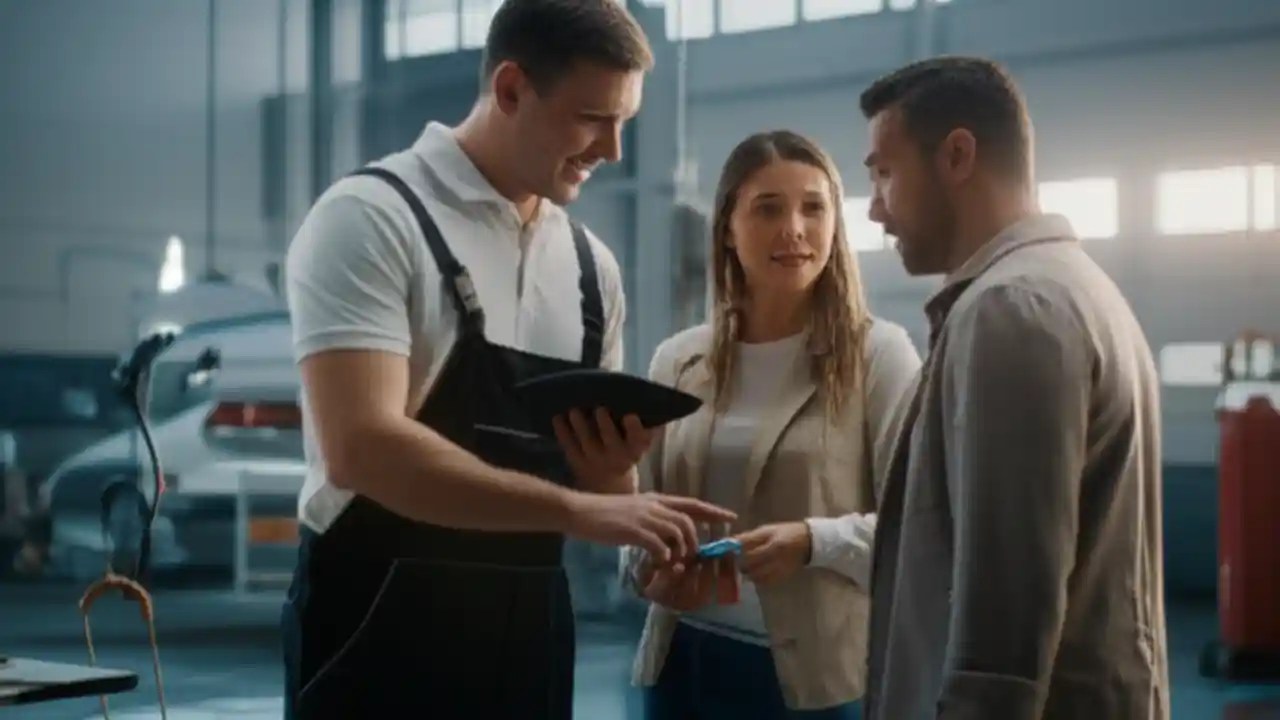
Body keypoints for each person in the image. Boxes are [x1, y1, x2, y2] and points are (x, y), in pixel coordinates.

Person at [279, 2, 735, 718]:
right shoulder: (372, 218)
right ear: (512, 89)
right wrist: (580, 511)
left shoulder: (592, 269)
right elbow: (361, 448)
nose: (614, 149)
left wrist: (633, 510)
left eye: (625, 121)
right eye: (593, 117)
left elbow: (602, 489)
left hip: (528, 637)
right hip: (371, 634)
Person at [857, 56, 1169, 719]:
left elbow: (1003, 627)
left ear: (958, 156)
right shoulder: (1077, 289)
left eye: (885, 173)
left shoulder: (1011, 310)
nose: (876, 208)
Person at [622, 130, 922, 719]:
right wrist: (647, 574)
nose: (794, 229)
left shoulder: (880, 355)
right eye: (768, 208)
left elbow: (916, 526)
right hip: (681, 664)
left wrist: (814, 541)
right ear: (728, 229)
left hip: (815, 684)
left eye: (814, 207)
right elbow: (642, 515)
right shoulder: (676, 360)